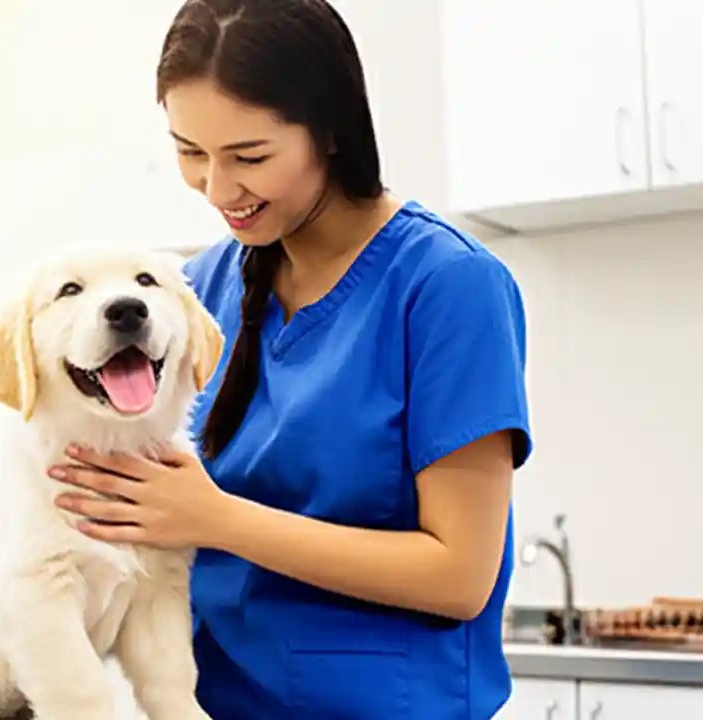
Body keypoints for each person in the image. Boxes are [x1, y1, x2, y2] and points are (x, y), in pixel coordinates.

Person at [49, 0, 533, 718]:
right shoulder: (198, 288)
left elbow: (459, 574)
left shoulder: (446, 286)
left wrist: (215, 519)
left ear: (329, 131)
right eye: (190, 152)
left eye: (250, 157)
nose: (218, 189)